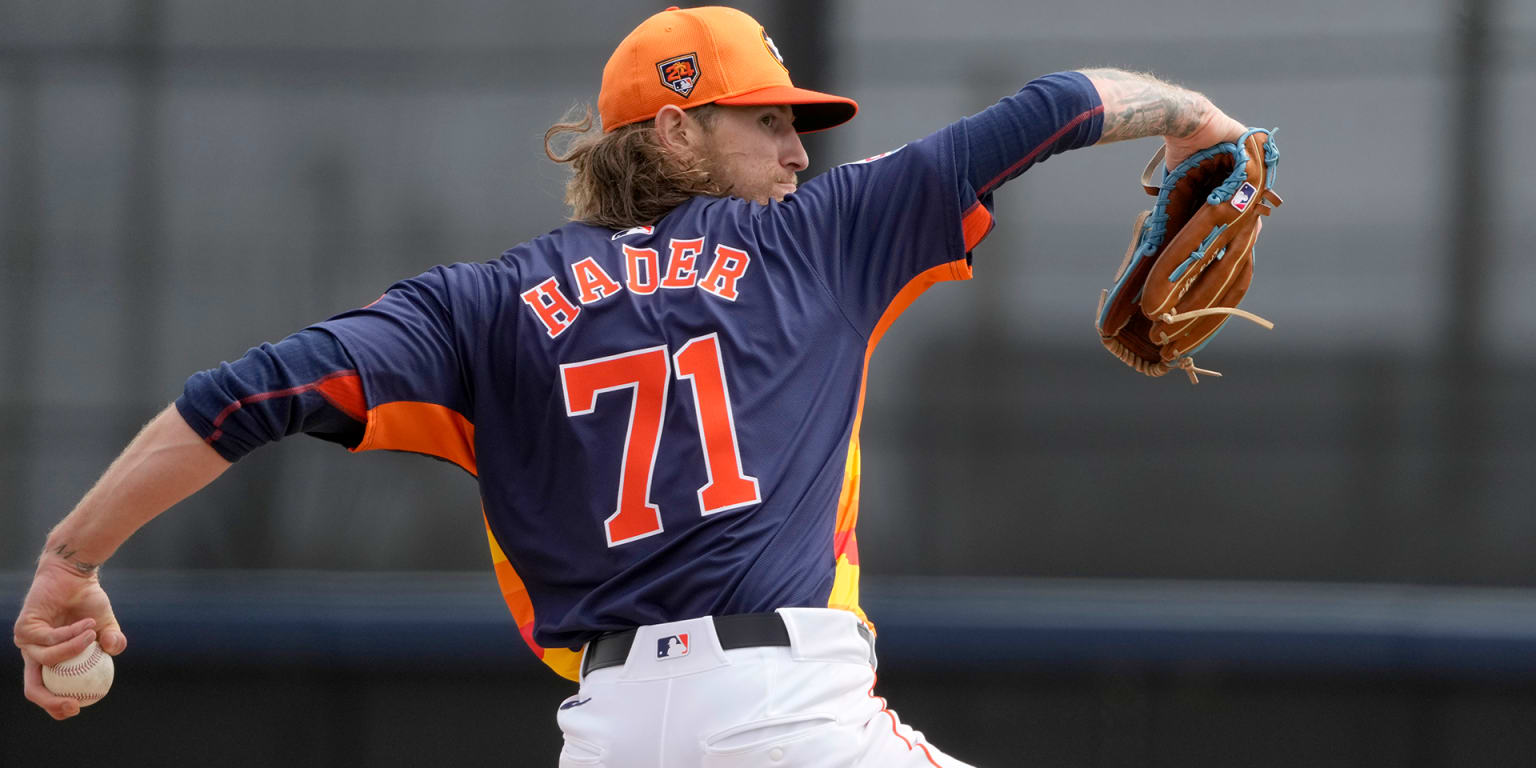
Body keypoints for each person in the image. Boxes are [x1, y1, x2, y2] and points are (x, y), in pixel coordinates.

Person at [13, 5, 1255, 766]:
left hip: (609, 735)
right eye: (762, 117)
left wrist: (71, 560)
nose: (794, 144)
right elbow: (1052, 108)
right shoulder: (819, 235)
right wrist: (1189, 113)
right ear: (670, 134)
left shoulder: (480, 306)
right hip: (787, 715)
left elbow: (245, 395)